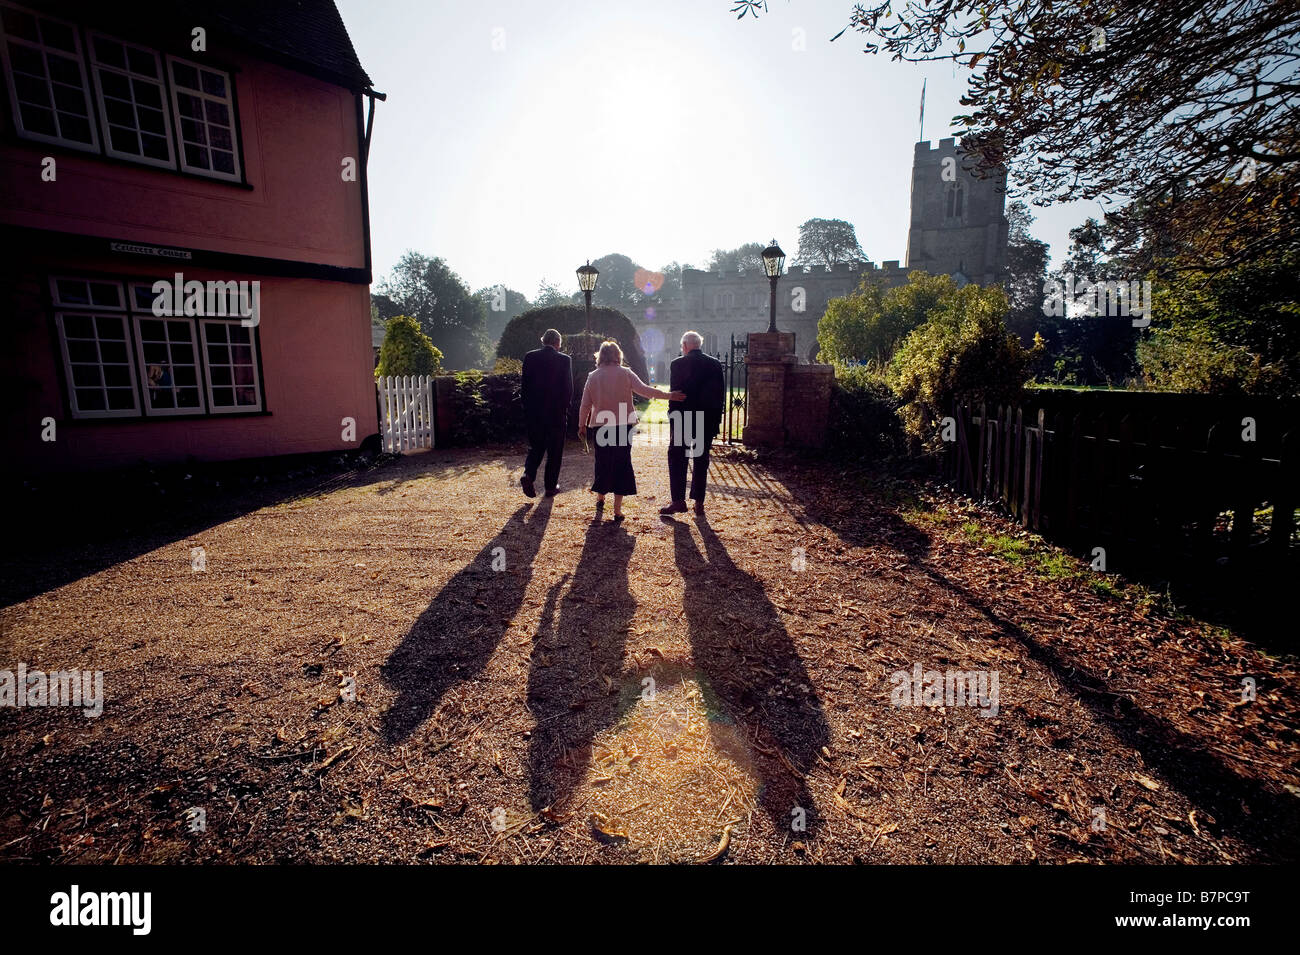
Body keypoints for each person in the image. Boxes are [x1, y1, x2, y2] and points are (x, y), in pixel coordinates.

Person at [577, 340, 683, 522]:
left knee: (602, 462)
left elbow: (585, 404)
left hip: (601, 426)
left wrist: (581, 425)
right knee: (622, 463)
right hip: (623, 425)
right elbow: (645, 391)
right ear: (618, 355)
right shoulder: (626, 373)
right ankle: (617, 511)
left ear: (600, 356)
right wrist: (669, 395)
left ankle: (600, 497)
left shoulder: (592, 376)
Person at [660, 331, 725, 518]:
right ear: (699, 345)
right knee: (701, 459)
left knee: (677, 457)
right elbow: (719, 396)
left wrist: (672, 417)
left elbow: (675, 395)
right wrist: (716, 423)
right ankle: (699, 502)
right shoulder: (714, 364)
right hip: (706, 419)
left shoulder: (677, 364)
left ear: (685, 346)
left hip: (683, 418)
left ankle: (678, 501)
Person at [520, 328, 572, 497]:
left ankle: (528, 474)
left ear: (543, 340)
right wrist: (565, 408)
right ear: (558, 343)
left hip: (534, 412)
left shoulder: (529, 357)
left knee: (536, 446)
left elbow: (525, 387)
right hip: (556, 412)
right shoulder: (564, 360)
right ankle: (550, 486)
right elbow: (568, 388)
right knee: (555, 451)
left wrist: (527, 408)